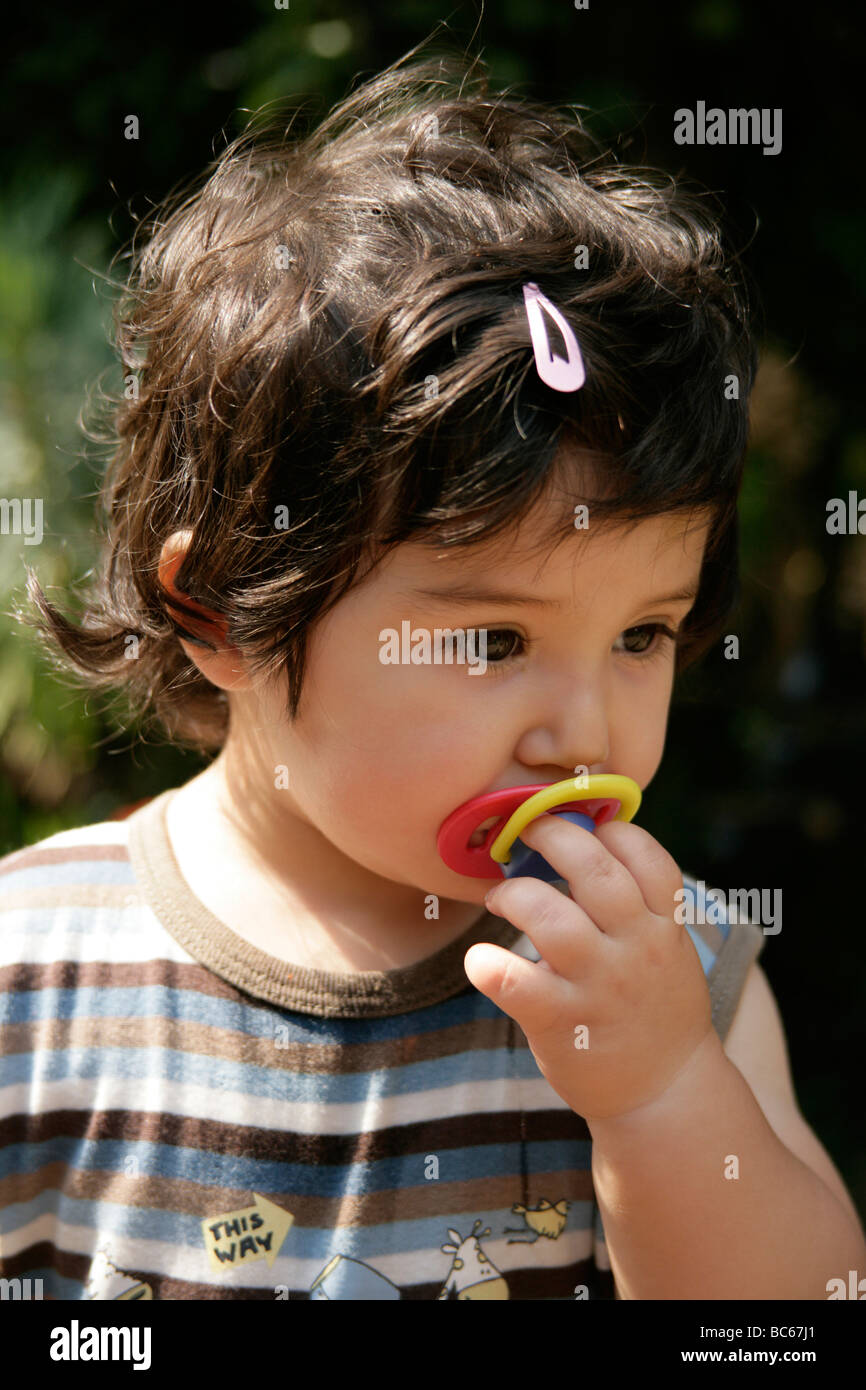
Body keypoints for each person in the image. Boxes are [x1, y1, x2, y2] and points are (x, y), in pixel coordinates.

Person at [2, 46, 864, 1302]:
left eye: (640, 635)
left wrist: (662, 1093)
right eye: (491, 642)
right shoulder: (36, 968)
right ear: (224, 608)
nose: (581, 730)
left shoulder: (674, 981)